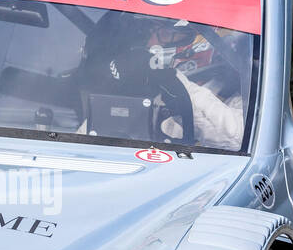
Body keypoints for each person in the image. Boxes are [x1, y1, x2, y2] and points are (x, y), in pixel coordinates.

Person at [81, 14, 246, 149]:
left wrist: (173, 83)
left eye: (166, 35)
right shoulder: (144, 87)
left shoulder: (240, 97)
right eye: (150, 32)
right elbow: (82, 144)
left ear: (202, 44)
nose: (151, 42)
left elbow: (237, 140)